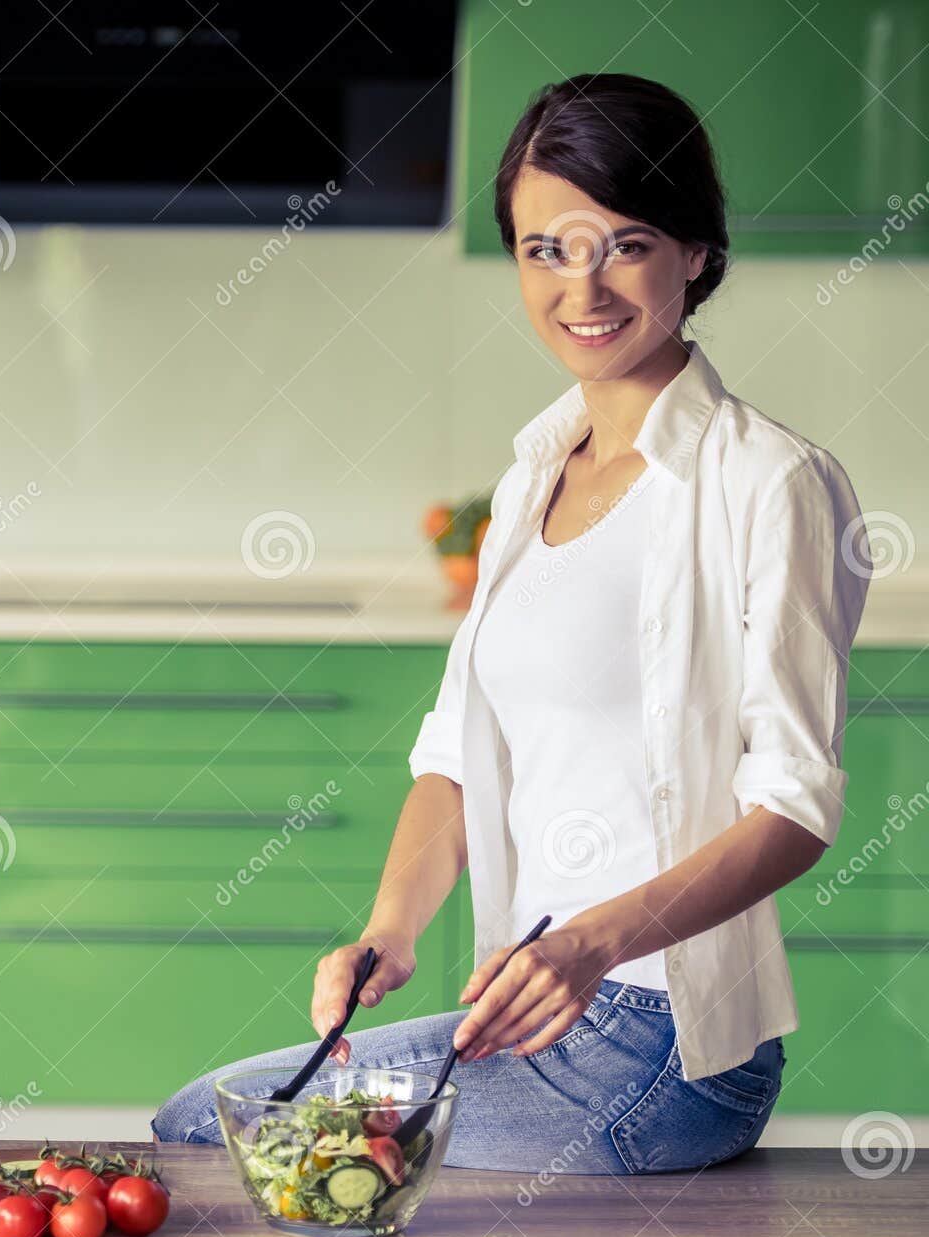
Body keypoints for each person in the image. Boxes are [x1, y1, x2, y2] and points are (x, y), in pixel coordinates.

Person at [153, 74, 871, 1174]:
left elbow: (795, 807)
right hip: (527, 1012)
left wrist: (590, 944)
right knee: (205, 1121)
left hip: (666, 1045)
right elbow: (455, 752)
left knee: (230, 1139)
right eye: (545, 250)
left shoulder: (768, 481)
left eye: (624, 244)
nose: (582, 287)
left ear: (694, 251)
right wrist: (388, 932)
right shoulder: (533, 477)